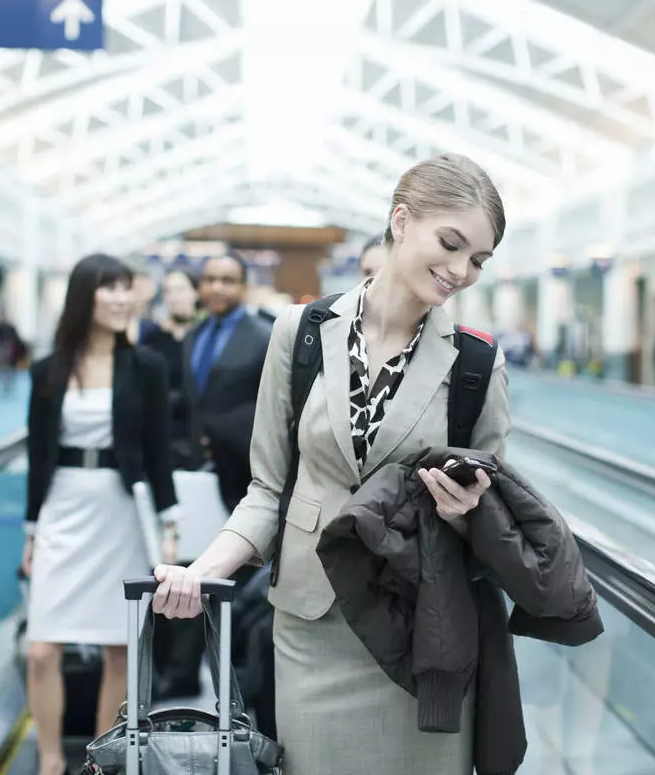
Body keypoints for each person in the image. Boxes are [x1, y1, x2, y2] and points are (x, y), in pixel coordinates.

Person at [152, 153, 510, 773]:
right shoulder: (301, 333)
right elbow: (269, 487)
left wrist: (467, 515)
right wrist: (200, 571)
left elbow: (494, 519)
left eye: (478, 260)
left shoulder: (477, 364)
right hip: (312, 627)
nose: (461, 271)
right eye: (451, 245)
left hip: (422, 635)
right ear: (401, 221)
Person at [22, 253, 179, 775]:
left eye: (125, 289)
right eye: (107, 288)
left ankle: (98, 758)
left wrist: (169, 527)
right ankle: (48, 759)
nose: (119, 298)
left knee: (118, 649)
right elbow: (37, 455)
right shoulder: (48, 370)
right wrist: (30, 530)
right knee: (42, 648)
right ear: (82, 297)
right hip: (62, 508)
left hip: (122, 511)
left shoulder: (147, 368)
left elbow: (160, 452)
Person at [183, 251, 273, 514]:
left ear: (244, 287)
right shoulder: (193, 335)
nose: (216, 287)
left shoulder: (264, 337)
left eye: (227, 280)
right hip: (197, 464)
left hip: (245, 469)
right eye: (209, 279)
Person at [140, 267, 202, 470]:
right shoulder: (153, 337)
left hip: (196, 432)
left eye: (181, 289)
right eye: (168, 291)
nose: (174, 297)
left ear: (195, 292)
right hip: (163, 430)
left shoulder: (206, 336)